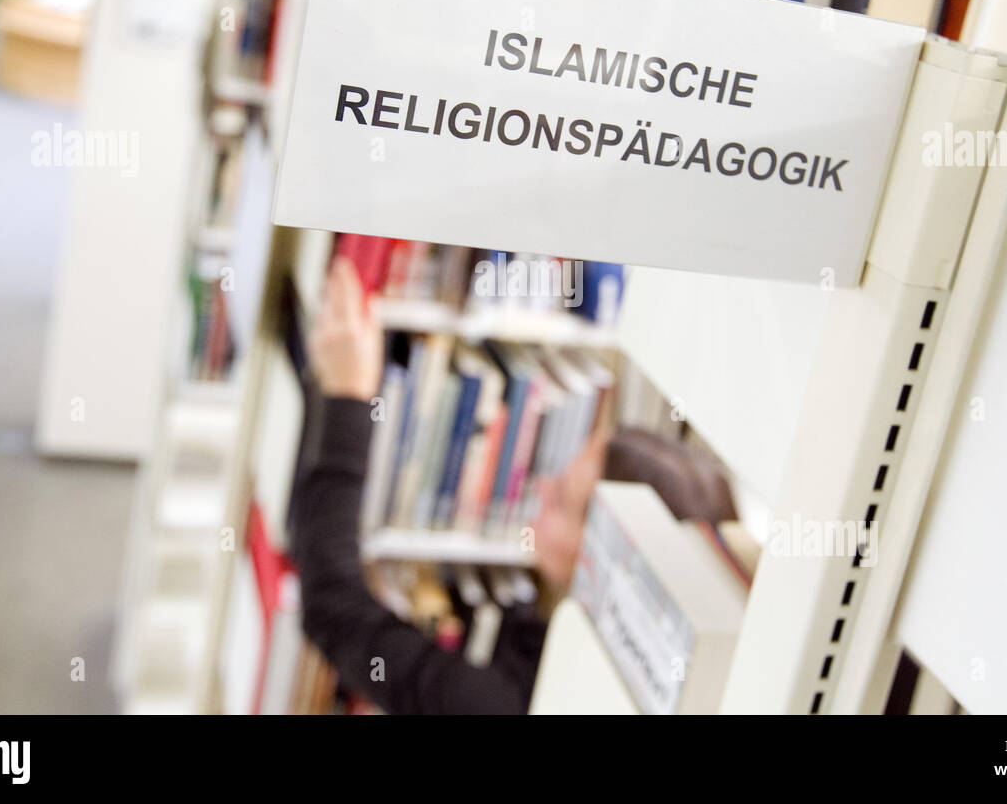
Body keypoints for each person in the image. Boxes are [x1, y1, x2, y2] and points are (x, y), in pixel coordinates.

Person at [288, 256, 734, 714]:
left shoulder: (516, 703)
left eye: (562, 500)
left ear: (616, 570)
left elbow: (334, 608)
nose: (540, 488)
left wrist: (348, 399)